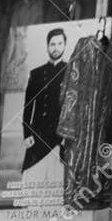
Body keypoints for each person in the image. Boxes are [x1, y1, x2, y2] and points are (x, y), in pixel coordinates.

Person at [22, 27, 68, 173]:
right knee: (32, 174)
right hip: (38, 133)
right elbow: (28, 106)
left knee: (57, 176)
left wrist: (67, 137)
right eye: (53, 44)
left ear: (65, 45)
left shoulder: (71, 72)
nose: (56, 48)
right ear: (47, 46)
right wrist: (27, 134)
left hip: (60, 135)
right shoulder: (36, 74)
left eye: (60, 43)